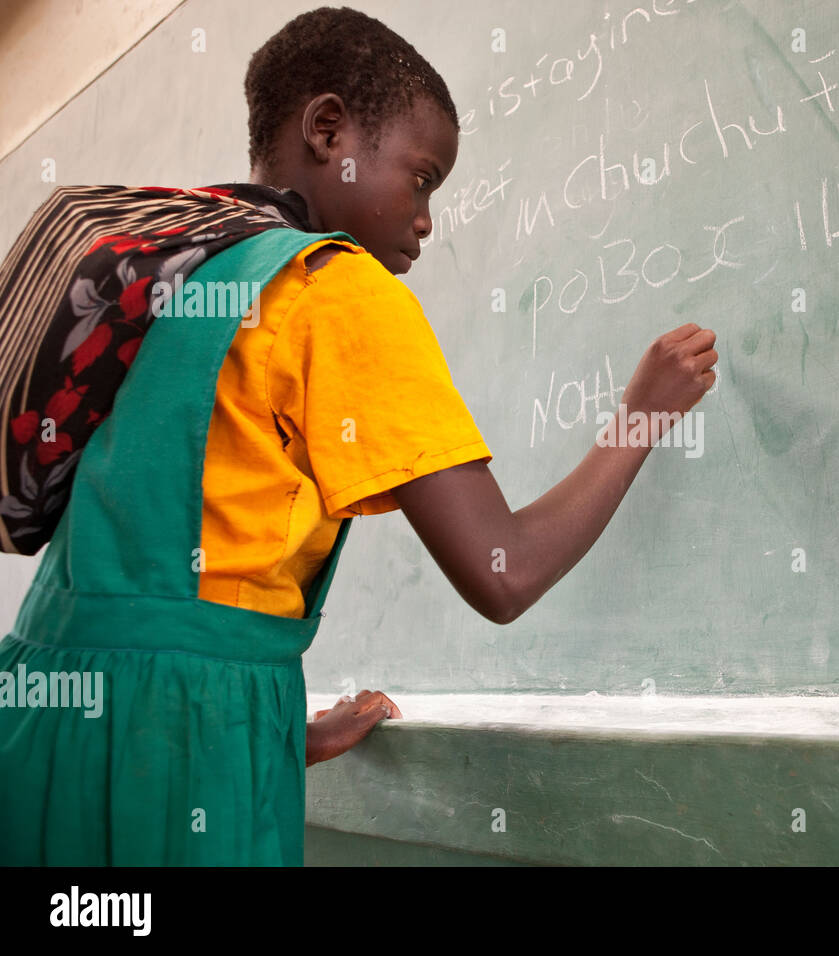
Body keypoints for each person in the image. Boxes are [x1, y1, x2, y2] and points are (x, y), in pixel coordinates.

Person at [0, 6, 715, 865]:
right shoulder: (337, 289)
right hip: (185, 750)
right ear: (328, 128)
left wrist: (273, 730)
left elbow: (163, 568)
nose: (426, 220)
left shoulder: (172, 276)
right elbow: (503, 572)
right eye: (422, 178)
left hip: (44, 725)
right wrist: (641, 416)